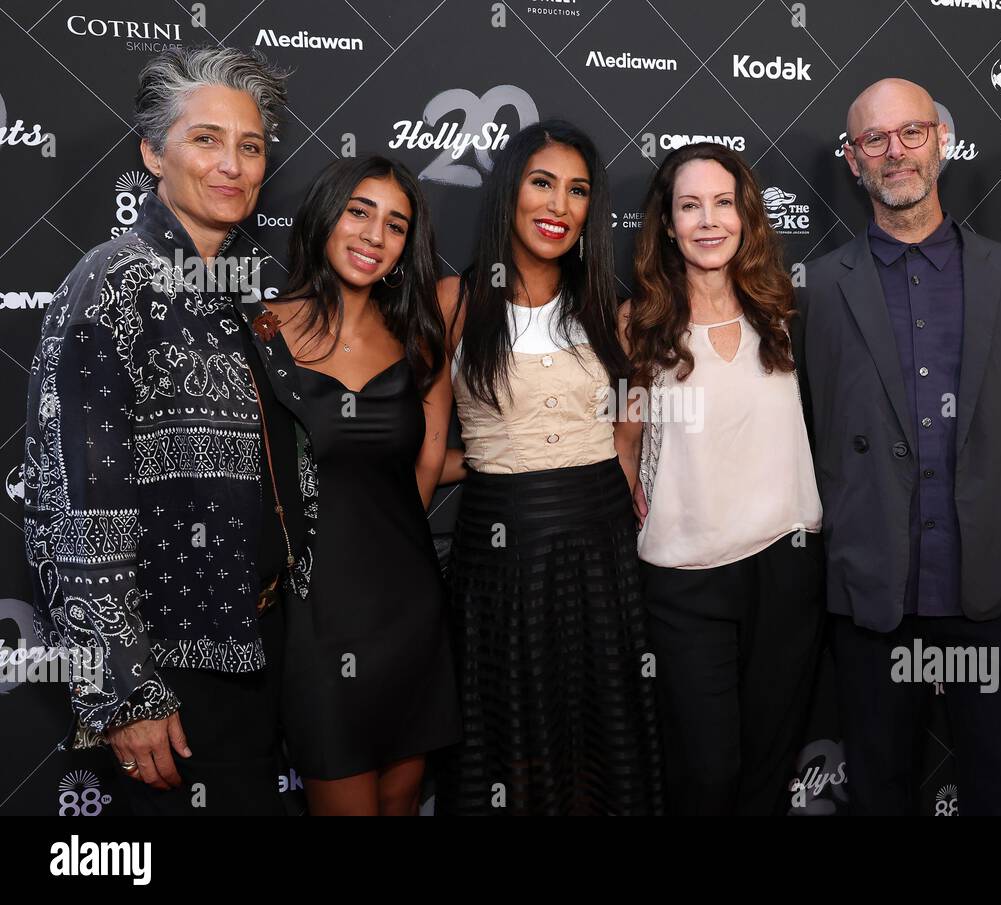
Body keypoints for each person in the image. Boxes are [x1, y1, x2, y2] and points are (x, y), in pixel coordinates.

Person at [22, 46, 306, 815]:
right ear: (153, 152)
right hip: (174, 675)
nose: (234, 165)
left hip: (267, 645)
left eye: (250, 146)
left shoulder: (247, 291)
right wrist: (125, 688)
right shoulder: (112, 284)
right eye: (206, 140)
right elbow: (73, 511)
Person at [795, 78, 1001, 815]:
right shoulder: (816, 288)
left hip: (988, 588)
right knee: (879, 791)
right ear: (852, 159)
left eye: (910, 132)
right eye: (874, 139)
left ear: (940, 139)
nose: (894, 151)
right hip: (873, 591)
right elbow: (811, 425)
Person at [436, 119, 662, 815]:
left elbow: (628, 426)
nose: (558, 206)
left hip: (599, 551)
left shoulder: (609, 313)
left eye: (578, 190)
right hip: (501, 557)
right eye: (542, 183)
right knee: (511, 748)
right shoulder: (454, 304)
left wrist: (627, 480)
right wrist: (493, 459)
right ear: (510, 190)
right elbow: (417, 449)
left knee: (602, 743)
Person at [624, 142, 824, 815]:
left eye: (723, 202)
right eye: (690, 206)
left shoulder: (786, 312)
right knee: (707, 773)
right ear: (667, 222)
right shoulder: (640, 323)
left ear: (747, 216)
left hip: (787, 565)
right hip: (684, 576)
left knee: (768, 767)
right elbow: (622, 443)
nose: (709, 221)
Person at [264, 155, 459, 815]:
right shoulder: (261, 332)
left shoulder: (417, 337)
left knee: (402, 800)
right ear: (325, 216)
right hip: (317, 615)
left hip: (409, 609)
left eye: (396, 224)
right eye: (359, 211)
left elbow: (423, 466)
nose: (376, 235)